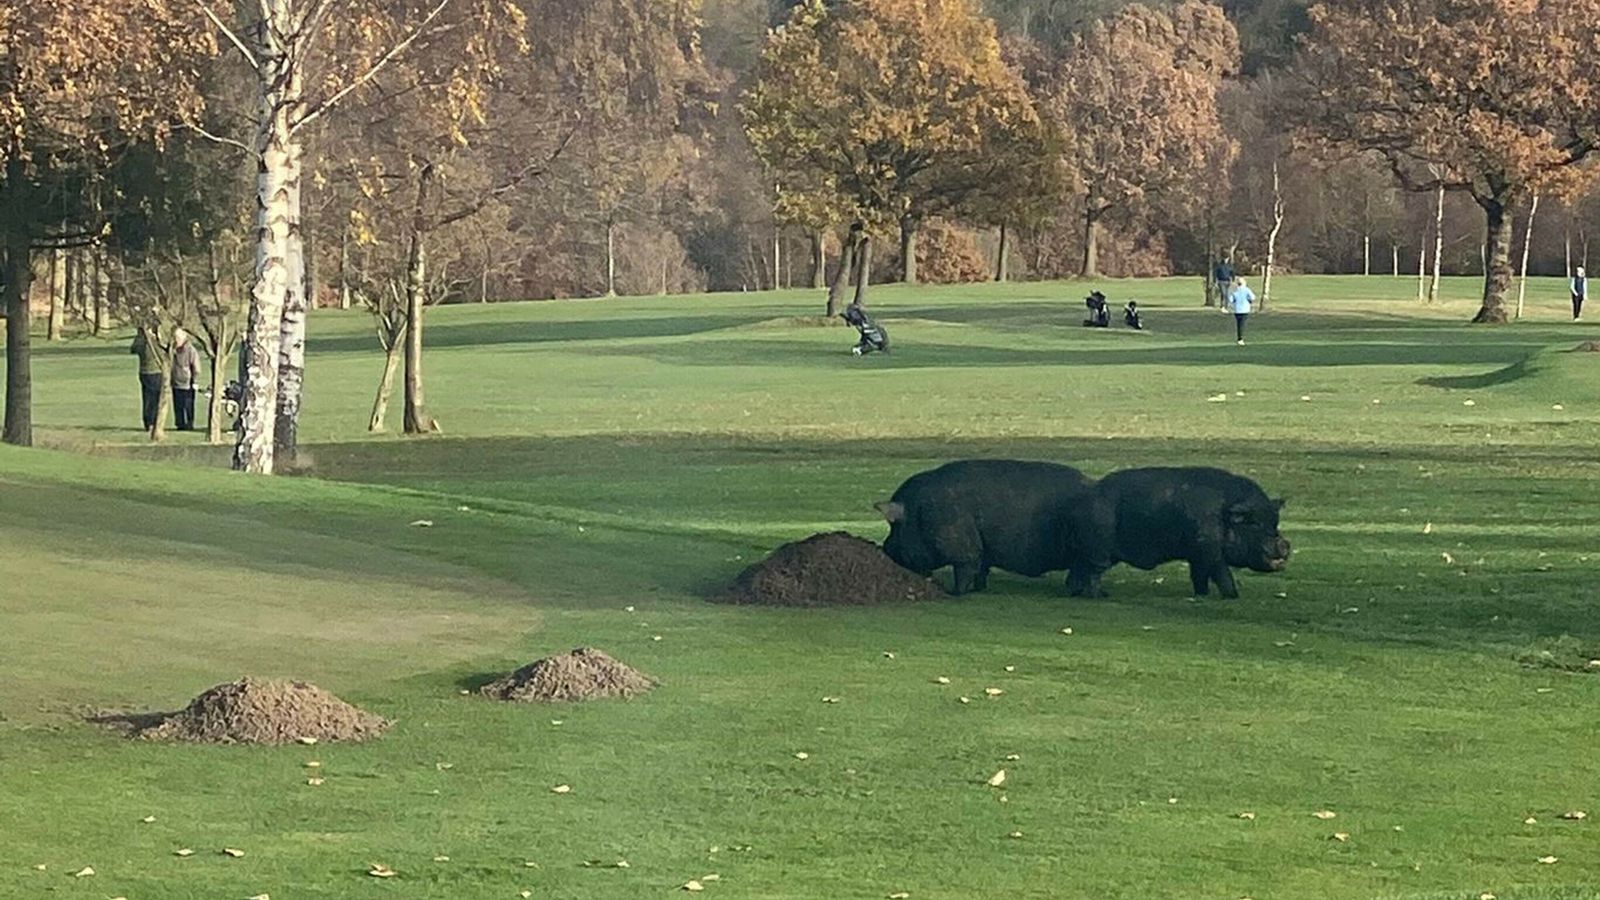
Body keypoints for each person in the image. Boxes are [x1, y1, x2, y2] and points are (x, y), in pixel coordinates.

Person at [130, 329, 164, 430]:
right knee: (154, 398)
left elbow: (133, 349)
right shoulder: (152, 341)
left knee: (147, 398)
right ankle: (152, 421)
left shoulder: (141, 340)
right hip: (155, 371)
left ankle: (147, 421)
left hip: (144, 372)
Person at [171, 328, 202, 431]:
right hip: (175, 382)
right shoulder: (173, 350)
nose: (176, 340)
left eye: (178, 338)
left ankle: (189, 424)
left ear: (184, 338)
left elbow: (196, 368)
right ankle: (180, 424)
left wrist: (195, 381)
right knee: (178, 405)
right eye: (175, 338)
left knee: (188, 405)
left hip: (187, 383)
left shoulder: (191, 351)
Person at [1228, 276, 1256, 345]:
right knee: (1242, 325)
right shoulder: (1246, 290)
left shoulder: (1235, 291)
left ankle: (1239, 337)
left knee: (1239, 324)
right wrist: (1249, 300)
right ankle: (1240, 339)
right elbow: (1253, 297)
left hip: (1237, 310)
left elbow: (1231, 300)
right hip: (1245, 309)